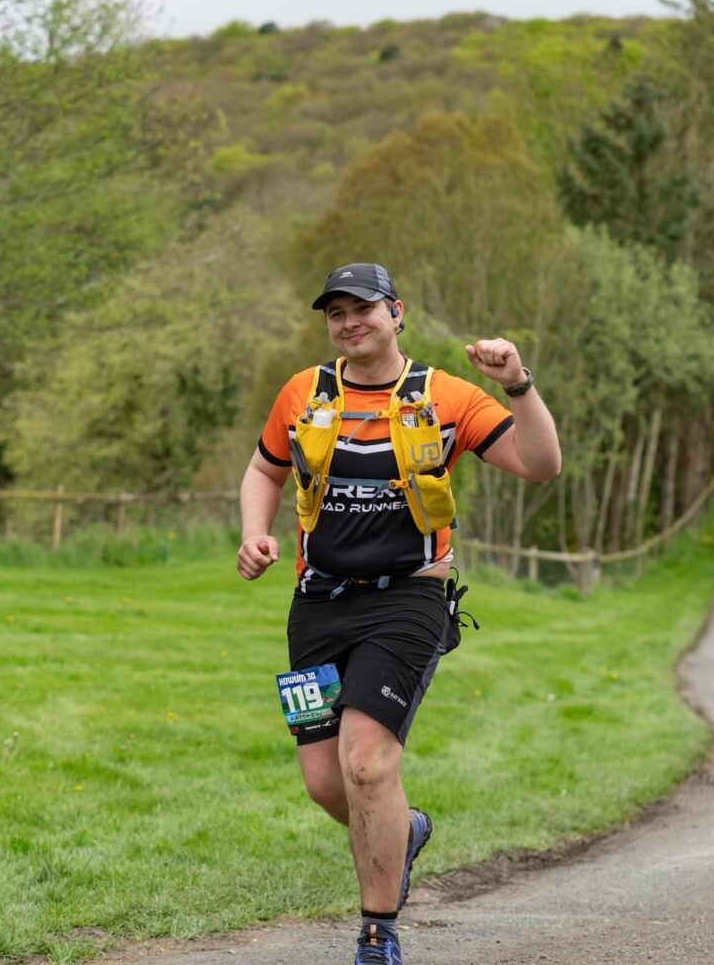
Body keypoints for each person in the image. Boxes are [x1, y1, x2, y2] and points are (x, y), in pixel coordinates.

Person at [237, 262, 561, 965]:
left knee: (367, 763)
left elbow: (541, 464)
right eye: (336, 313)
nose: (350, 322)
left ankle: (377, 934)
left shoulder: (446, 395)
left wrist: (518, 383)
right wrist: (253, 532)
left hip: (408, 598)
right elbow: (265, 468)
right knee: (327, 782)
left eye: (364, 308)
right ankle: (405, 831)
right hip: (316, 603)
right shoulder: (303, 392)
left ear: (397, 312)